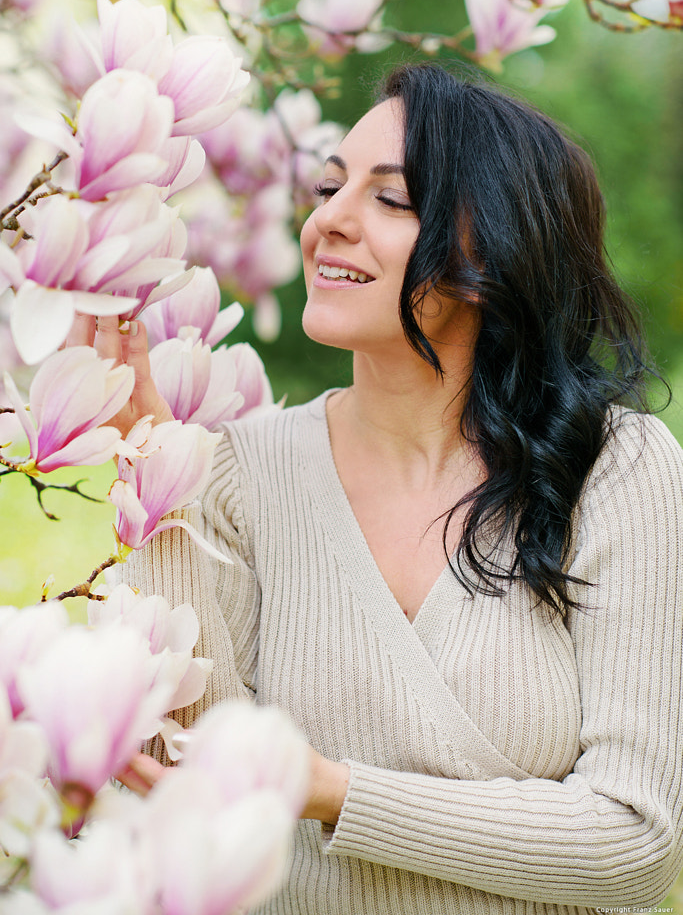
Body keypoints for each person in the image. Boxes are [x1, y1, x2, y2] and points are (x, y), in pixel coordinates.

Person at [83, 64, 683, 913]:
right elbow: (186, 789)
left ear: (494, 248)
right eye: (329, 186)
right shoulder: (237, 472)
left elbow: (633, 844)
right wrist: (153, 478)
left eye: (389, 200)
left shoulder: (615, 469)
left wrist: (333, 791)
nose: (328, 219)